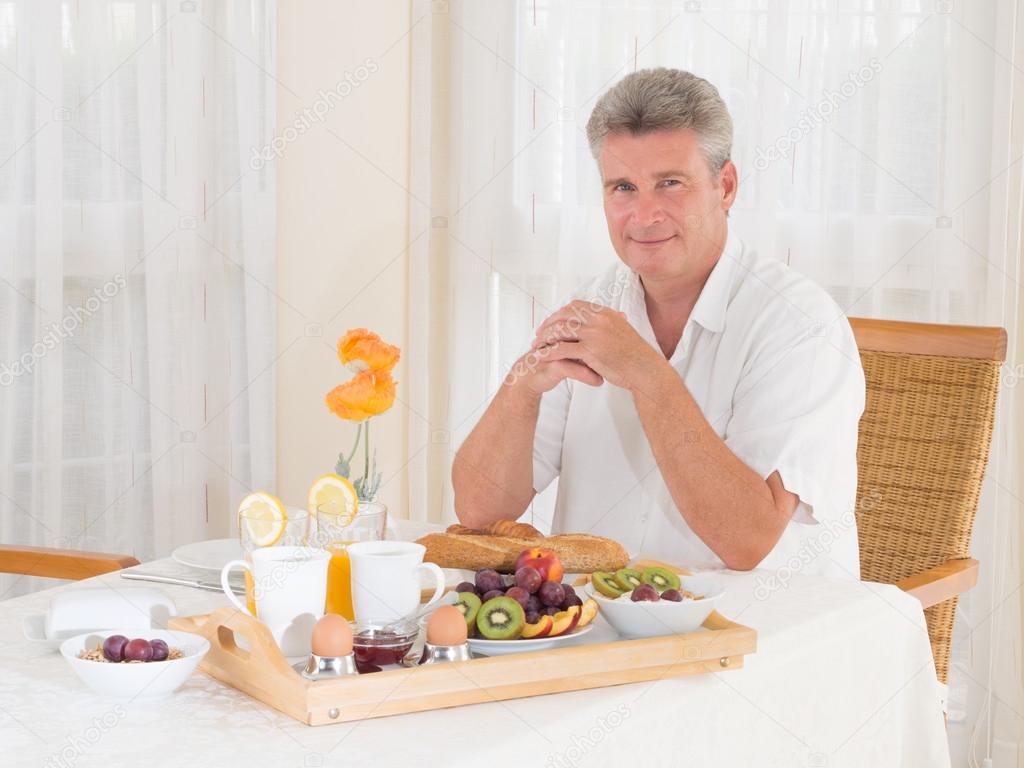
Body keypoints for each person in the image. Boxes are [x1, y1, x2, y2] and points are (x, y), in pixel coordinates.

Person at [451, 68, 865, 577]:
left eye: (670, 184)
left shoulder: (800, 324)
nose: (644, 215)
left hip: (758, 637)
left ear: (726, 185)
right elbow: (478, 511)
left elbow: (748, 540)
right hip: (600, 630)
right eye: (623, 187)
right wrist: (522, 389)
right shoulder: (590, 307)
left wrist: (645, 374)